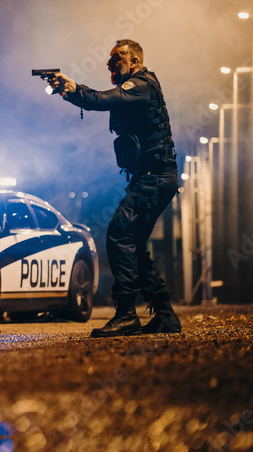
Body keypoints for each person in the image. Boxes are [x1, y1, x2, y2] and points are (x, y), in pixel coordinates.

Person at [49, 39, 182, 337]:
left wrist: (72, 88)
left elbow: (100, 100)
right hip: (151, 178)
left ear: (134, 61)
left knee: (119, 234)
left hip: (154, 178)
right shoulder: (134, 86)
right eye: (109, 59)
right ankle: (164, 315)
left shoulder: (141, 85)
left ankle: (125, 315)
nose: (111, 63)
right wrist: (70, 90)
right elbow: (98, 99)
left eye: (118, 57)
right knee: (132, 242)